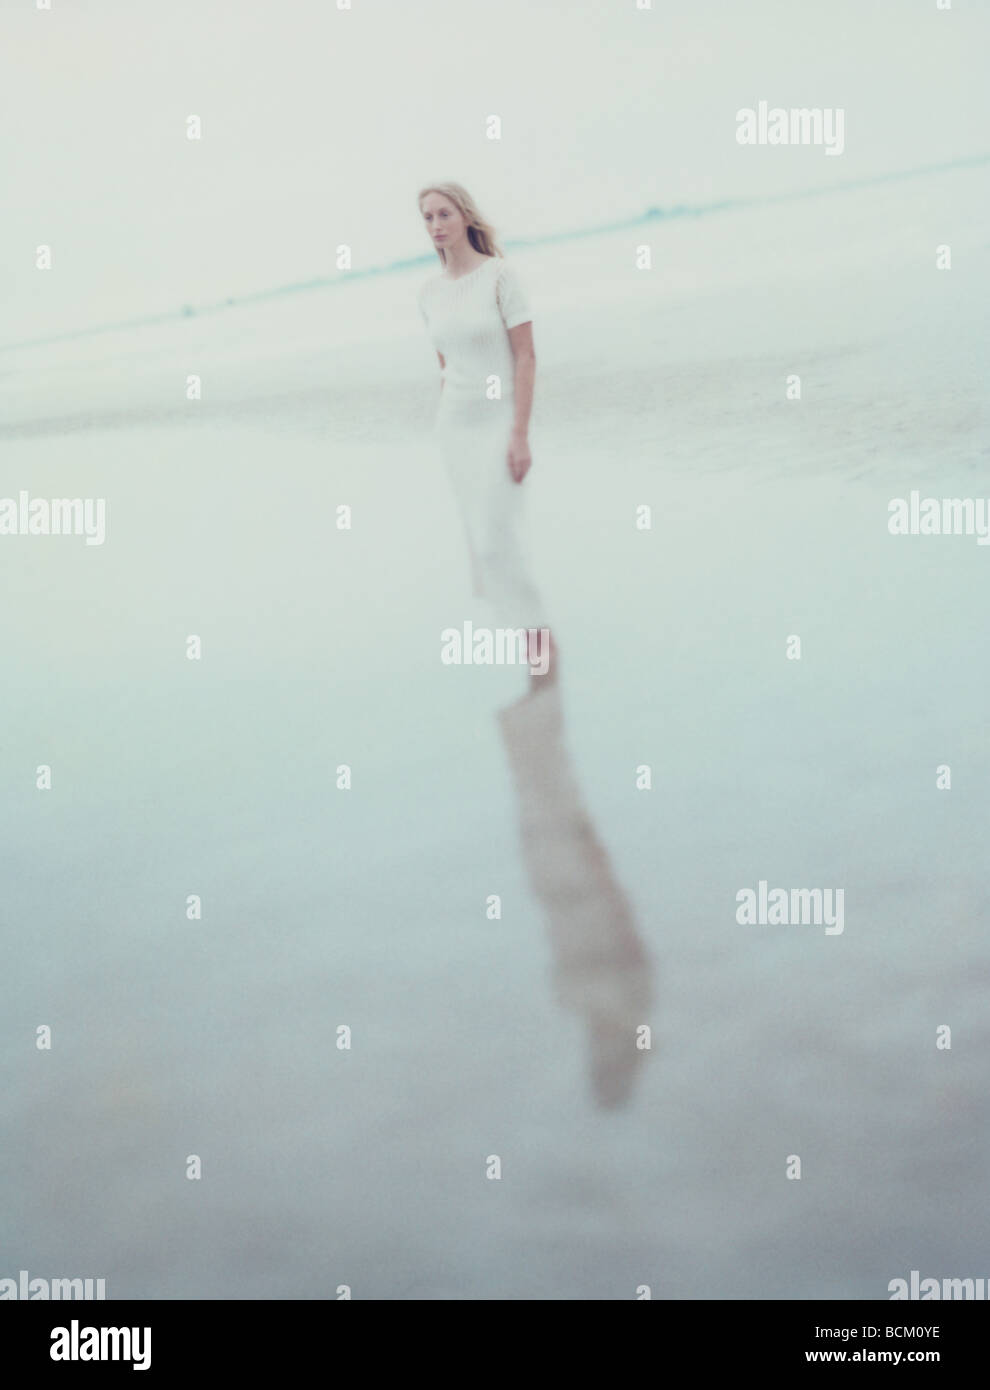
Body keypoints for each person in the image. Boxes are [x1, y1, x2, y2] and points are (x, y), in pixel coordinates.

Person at [417, 182, 555, 685]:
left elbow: (526, 356)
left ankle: (541, 651)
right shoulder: (428, 293)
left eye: (444, 214)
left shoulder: (501, 276)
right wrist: (446, 420)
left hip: (500, 425)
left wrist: (520, 432)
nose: (435, 225)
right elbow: (446, 369)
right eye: (427, 218)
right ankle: (531, 649)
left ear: (466, 217)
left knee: (501, 541)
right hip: (454, 431)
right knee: (482, 546)